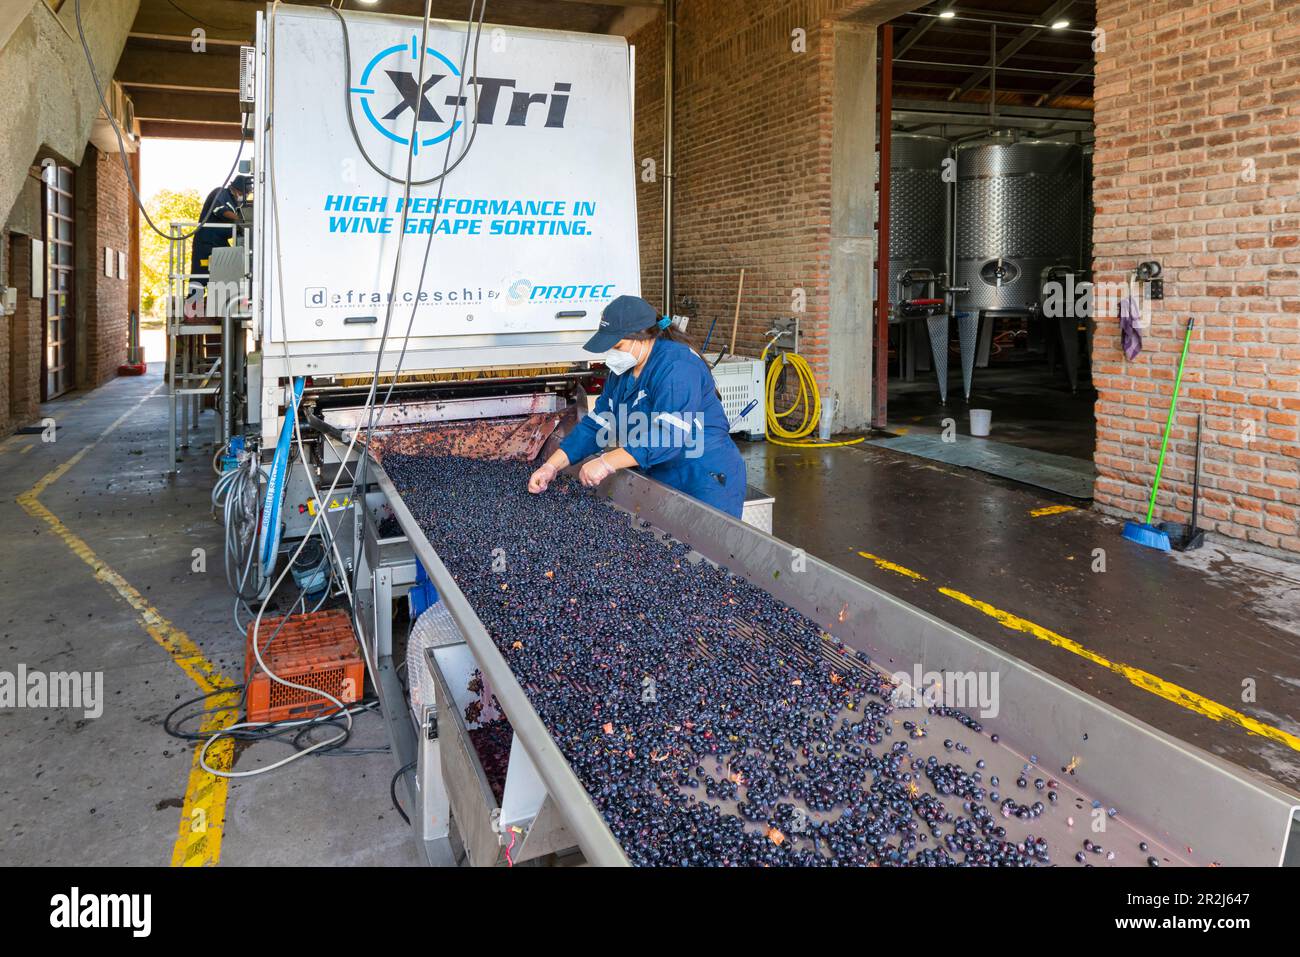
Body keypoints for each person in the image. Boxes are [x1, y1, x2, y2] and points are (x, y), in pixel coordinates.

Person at [528, 295, 746, 518]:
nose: (613, 353)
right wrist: (552, 466)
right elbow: (598, 424)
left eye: (618, 345)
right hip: (661, 472)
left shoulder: (677, 366)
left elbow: (668, 436)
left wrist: (606, 462)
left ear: (642, 337)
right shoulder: (623, 371)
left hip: (704, 477)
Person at [189, 174, 251, 289]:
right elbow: (220, 210)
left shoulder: (234, 203)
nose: (244, 197)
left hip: (220, 243)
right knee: (200, 277)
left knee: (228, 269)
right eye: (244, 194)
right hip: (206, 243)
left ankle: (220, 301)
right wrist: (242, 220)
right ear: (237, 190)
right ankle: (193, 305)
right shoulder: (221, 193)